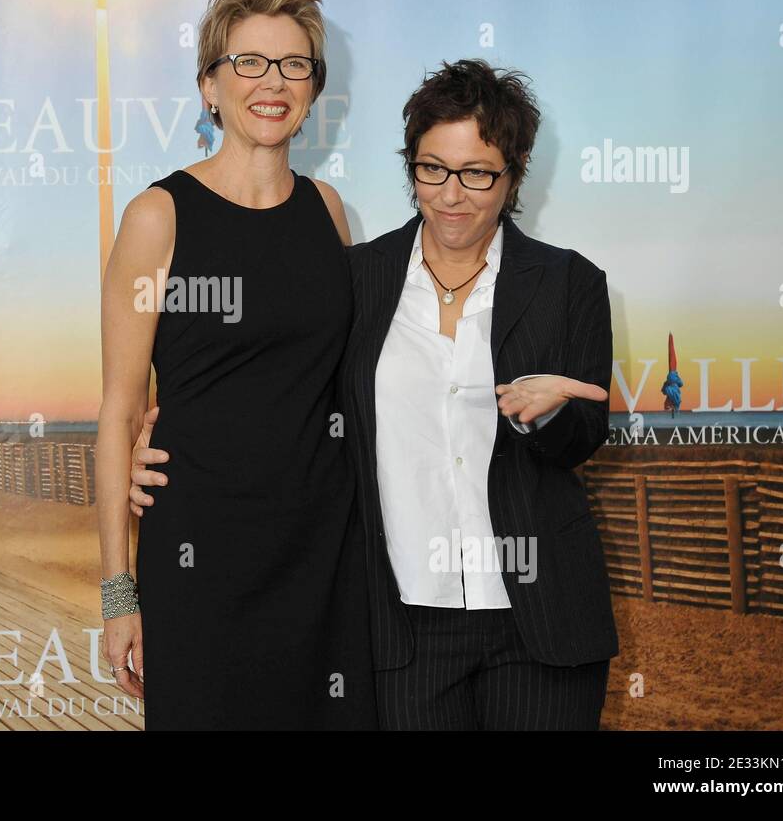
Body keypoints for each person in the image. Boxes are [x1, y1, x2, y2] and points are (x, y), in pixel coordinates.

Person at [131, 59, 618, 730]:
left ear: (514, 173)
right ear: (411, 165)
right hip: (402, 632)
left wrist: (555, 414)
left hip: (539, 622)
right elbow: (285, 390)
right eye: (432, 168)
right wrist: (166, 443)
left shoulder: (569, 283)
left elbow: (583, 439)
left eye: (478, 172)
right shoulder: (357, 279)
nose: (452, 194)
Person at [95, 0, 377, 730]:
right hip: (200, 554)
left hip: (323, 549)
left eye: (295, 65)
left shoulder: (328, 211)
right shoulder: (158, 216)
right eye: (249, 62)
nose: (273, 83)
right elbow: (120, 409)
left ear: (315, 90)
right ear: (210, 86)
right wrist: (119, 593)